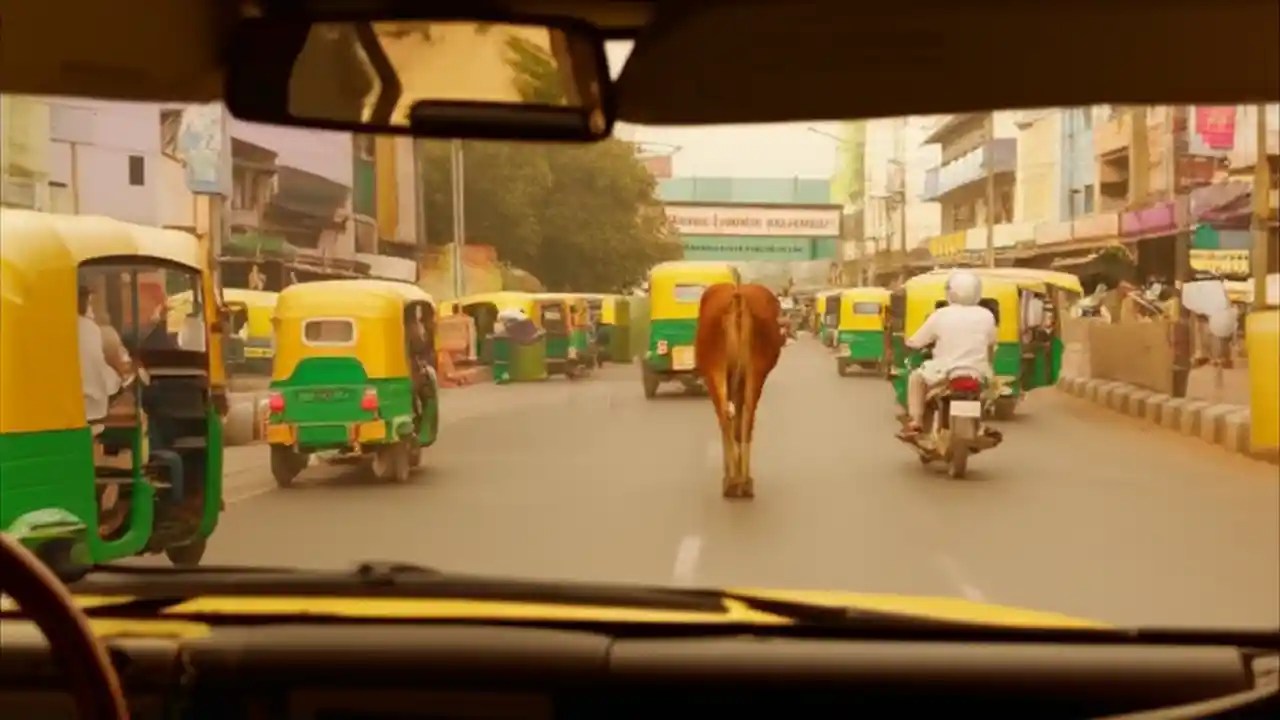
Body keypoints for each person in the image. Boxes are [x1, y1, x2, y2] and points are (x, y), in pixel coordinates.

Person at [897, 270, 997, 440]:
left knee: (916, 378)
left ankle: (916, 421)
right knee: (988, 391)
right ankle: (980, 424)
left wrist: (909, 343)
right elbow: (991, 344)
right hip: (977, 372)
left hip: (944, 371)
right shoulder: (987, 316)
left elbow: (916, 342)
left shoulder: (941, 315)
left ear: (951, 292)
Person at [77, 287, 123, 425]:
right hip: (90, 409)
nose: (91, 309)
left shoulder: (48, 326)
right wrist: (118, 380)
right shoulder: (88, 328)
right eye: (89, 303)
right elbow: (98, 371)